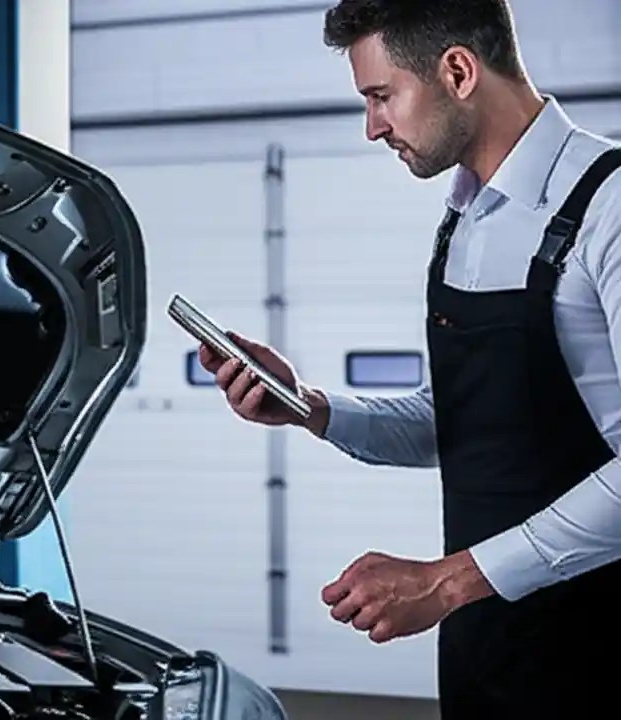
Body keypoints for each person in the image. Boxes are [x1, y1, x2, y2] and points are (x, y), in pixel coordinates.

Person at [200, 0, 621, 715]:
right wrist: (311, 409)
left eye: (381, 96)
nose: (373, 127)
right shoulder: (465, 217)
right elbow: (457, 418)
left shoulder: (609, 208)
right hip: (486, 653)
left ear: (457, 71)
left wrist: (445, 581)